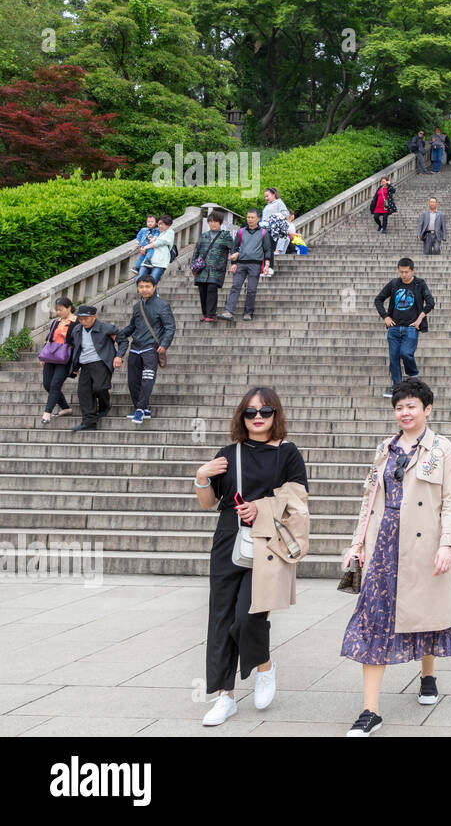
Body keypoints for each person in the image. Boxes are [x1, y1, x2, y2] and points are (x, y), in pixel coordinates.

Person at [341, 377, 451, 736]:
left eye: (411, 406)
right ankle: (370, 710)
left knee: (422, 612)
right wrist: (357, 542)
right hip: (383, 544)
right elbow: (369, 499)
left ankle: (428, 675)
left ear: (427, 409)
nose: (404, 412)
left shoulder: (442, 449)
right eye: (399, 407)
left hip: (422, 546)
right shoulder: (384, 449)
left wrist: (447, 543)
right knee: (373, 620)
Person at [195, 386, 310, 725]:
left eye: (265, 412)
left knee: (248, 616)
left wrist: (259, 509)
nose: (257, 418)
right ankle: (224, 697)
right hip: (229, 538)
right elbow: (209, 502)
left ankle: (264, 666)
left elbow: (299, 502)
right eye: (250, 412)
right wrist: (202, 477)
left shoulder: (287, 453)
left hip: (267, 541)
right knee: (220, 619)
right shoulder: (228, 453)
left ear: (276, 415)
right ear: (241, 417)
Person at [115, 275, 176, 425]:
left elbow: (170, 327)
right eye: (141, 286)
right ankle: (141, 408)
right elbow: (132, 326)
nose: (144, 289)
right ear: (138, 288)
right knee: (132, 381)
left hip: (151, 349)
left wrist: (164, 344)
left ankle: (140, 409)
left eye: (147, 286)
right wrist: (118, 334)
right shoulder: (137, 306)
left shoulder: (162, 305)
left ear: (154, 287)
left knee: (148, 379)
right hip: (135, 348)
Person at [374, 258, 435, 398]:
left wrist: (420, 319)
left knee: (406, 353)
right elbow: (378, 299)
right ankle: (396, 385)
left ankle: (413, 375)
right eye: (401, 272)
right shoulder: (394, 283)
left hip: (411, 328)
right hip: (394, 328)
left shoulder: (419, 284)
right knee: (394, 357)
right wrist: (385, 317)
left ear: (413, 270)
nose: (404, 275)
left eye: (406, 272)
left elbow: (430, 302)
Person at [67, 305, 118, 433]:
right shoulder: (77, 330)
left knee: (100, 388)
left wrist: (119, 356)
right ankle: (89, 422)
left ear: (94, 317)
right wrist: (75, 366)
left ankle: (105, 406)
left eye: (86, 318)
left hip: (101, 363)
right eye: (80, 319)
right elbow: (76, 348)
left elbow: (122, 339)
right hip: (85, 364)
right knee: (83, 392)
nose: (83, 321)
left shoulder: (106, 328)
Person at [217, 210, 275, 322]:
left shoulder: (263, 233)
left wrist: (267, 265)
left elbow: (268, 250)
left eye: (252, 217)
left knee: (252, 289)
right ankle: (228, 311)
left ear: (258, 219)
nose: (250, 219)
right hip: (241, 263)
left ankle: (248, 312)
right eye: (248, 217)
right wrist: (233, 263)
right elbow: (234, 248)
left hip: (256, 264)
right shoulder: (241, 231)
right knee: (235, 287)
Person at [193, 214, 237, 322]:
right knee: (202, 289)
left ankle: (210, 314)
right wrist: (193, 265)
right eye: (211, 221)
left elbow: (233, 249)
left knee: (212, 288)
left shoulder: (225, 236)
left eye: (215, 222)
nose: (213, 224)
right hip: (202, 269)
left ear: (220, 223)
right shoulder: (204, 236)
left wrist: (234, 263)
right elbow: (196, 250)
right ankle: (205, 313)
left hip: (216, 269)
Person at [39, 297, 76, 425]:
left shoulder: (76, 322)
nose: (58, 312)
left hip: (65, 358)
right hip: (51, 356)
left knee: (55, 384)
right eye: (57, 310)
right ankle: (65, 407)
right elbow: (48, 338)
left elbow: (78, 343)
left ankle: (47, 413)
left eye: (61, 309)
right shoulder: (56, 322)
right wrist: (43, 356)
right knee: (47, 384)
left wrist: (76, 365)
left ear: (69, 308)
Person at [135, 214, 176, 284]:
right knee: (139, 280)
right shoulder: (156, 231)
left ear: (168, 225)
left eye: (161, 224)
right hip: (148, 261)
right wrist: (142, 248)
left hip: (160, 263)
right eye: (159, 224)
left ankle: (152, 295)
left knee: (152, 282)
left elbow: (160, 242)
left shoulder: (170, 232)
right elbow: (145, 241)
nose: (159, 226)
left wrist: (146, 247)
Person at [261, 189, 291, 275]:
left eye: (268, 196)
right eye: (265, 197)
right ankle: (265, 267)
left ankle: (270, 267)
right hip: (265, 229)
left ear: (274, 194)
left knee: (269, 248)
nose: (266, 198)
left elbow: (286, 214)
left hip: (273, 230)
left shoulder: (279, 202)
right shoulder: (267, 206)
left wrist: (274, 217)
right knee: (265, 248)